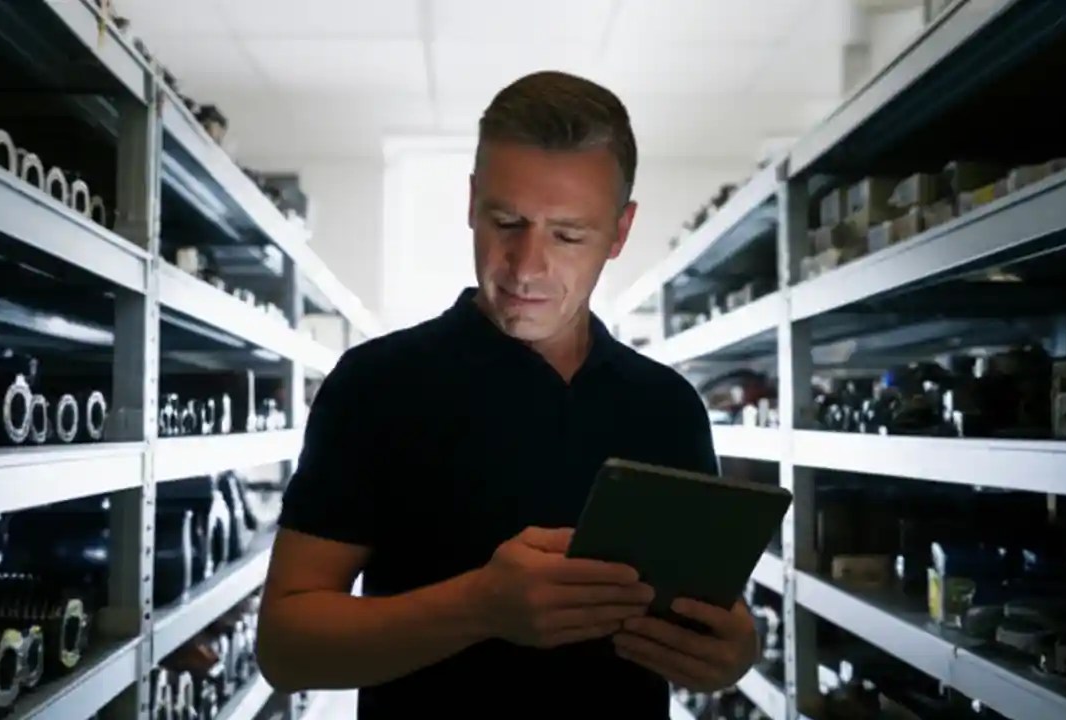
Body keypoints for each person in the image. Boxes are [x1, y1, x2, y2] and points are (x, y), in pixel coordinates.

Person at [256, 70, 759, 718]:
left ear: (620, 232)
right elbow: (286, 647)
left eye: (567, 235)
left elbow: (701, 617)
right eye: (505, 221)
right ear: (471, 203)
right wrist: (478, 607)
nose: (525, 267)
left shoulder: (667, 408)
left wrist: (731, 652)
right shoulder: (376, 385)